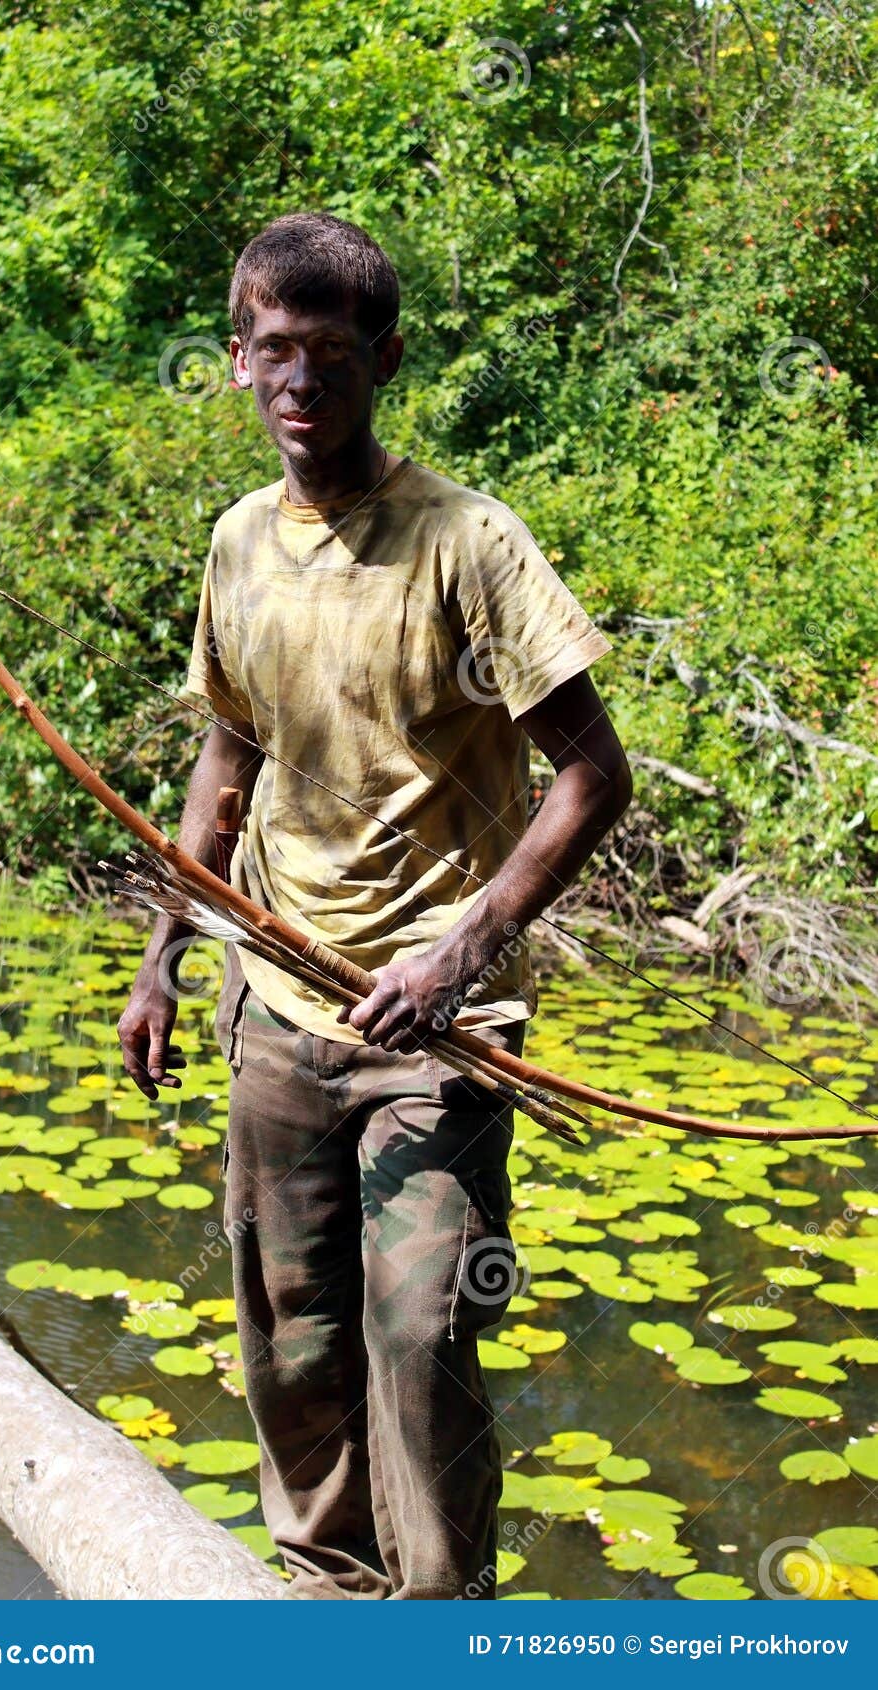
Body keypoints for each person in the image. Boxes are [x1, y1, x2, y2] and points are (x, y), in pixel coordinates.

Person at [118, 212, 633, 1600]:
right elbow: (227, 761)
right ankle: (327, 1588)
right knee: (290, 1340)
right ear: (236, 362)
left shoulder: (466, 540)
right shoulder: (237, 545)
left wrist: (461, 948)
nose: (299, 382)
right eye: (272, 351)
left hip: (436, 1035)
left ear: (384, 359)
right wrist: (165, 956)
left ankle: (442, 1612)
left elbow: (595, 772)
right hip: (279, 1004)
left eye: (329, 355)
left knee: (417, 1328)